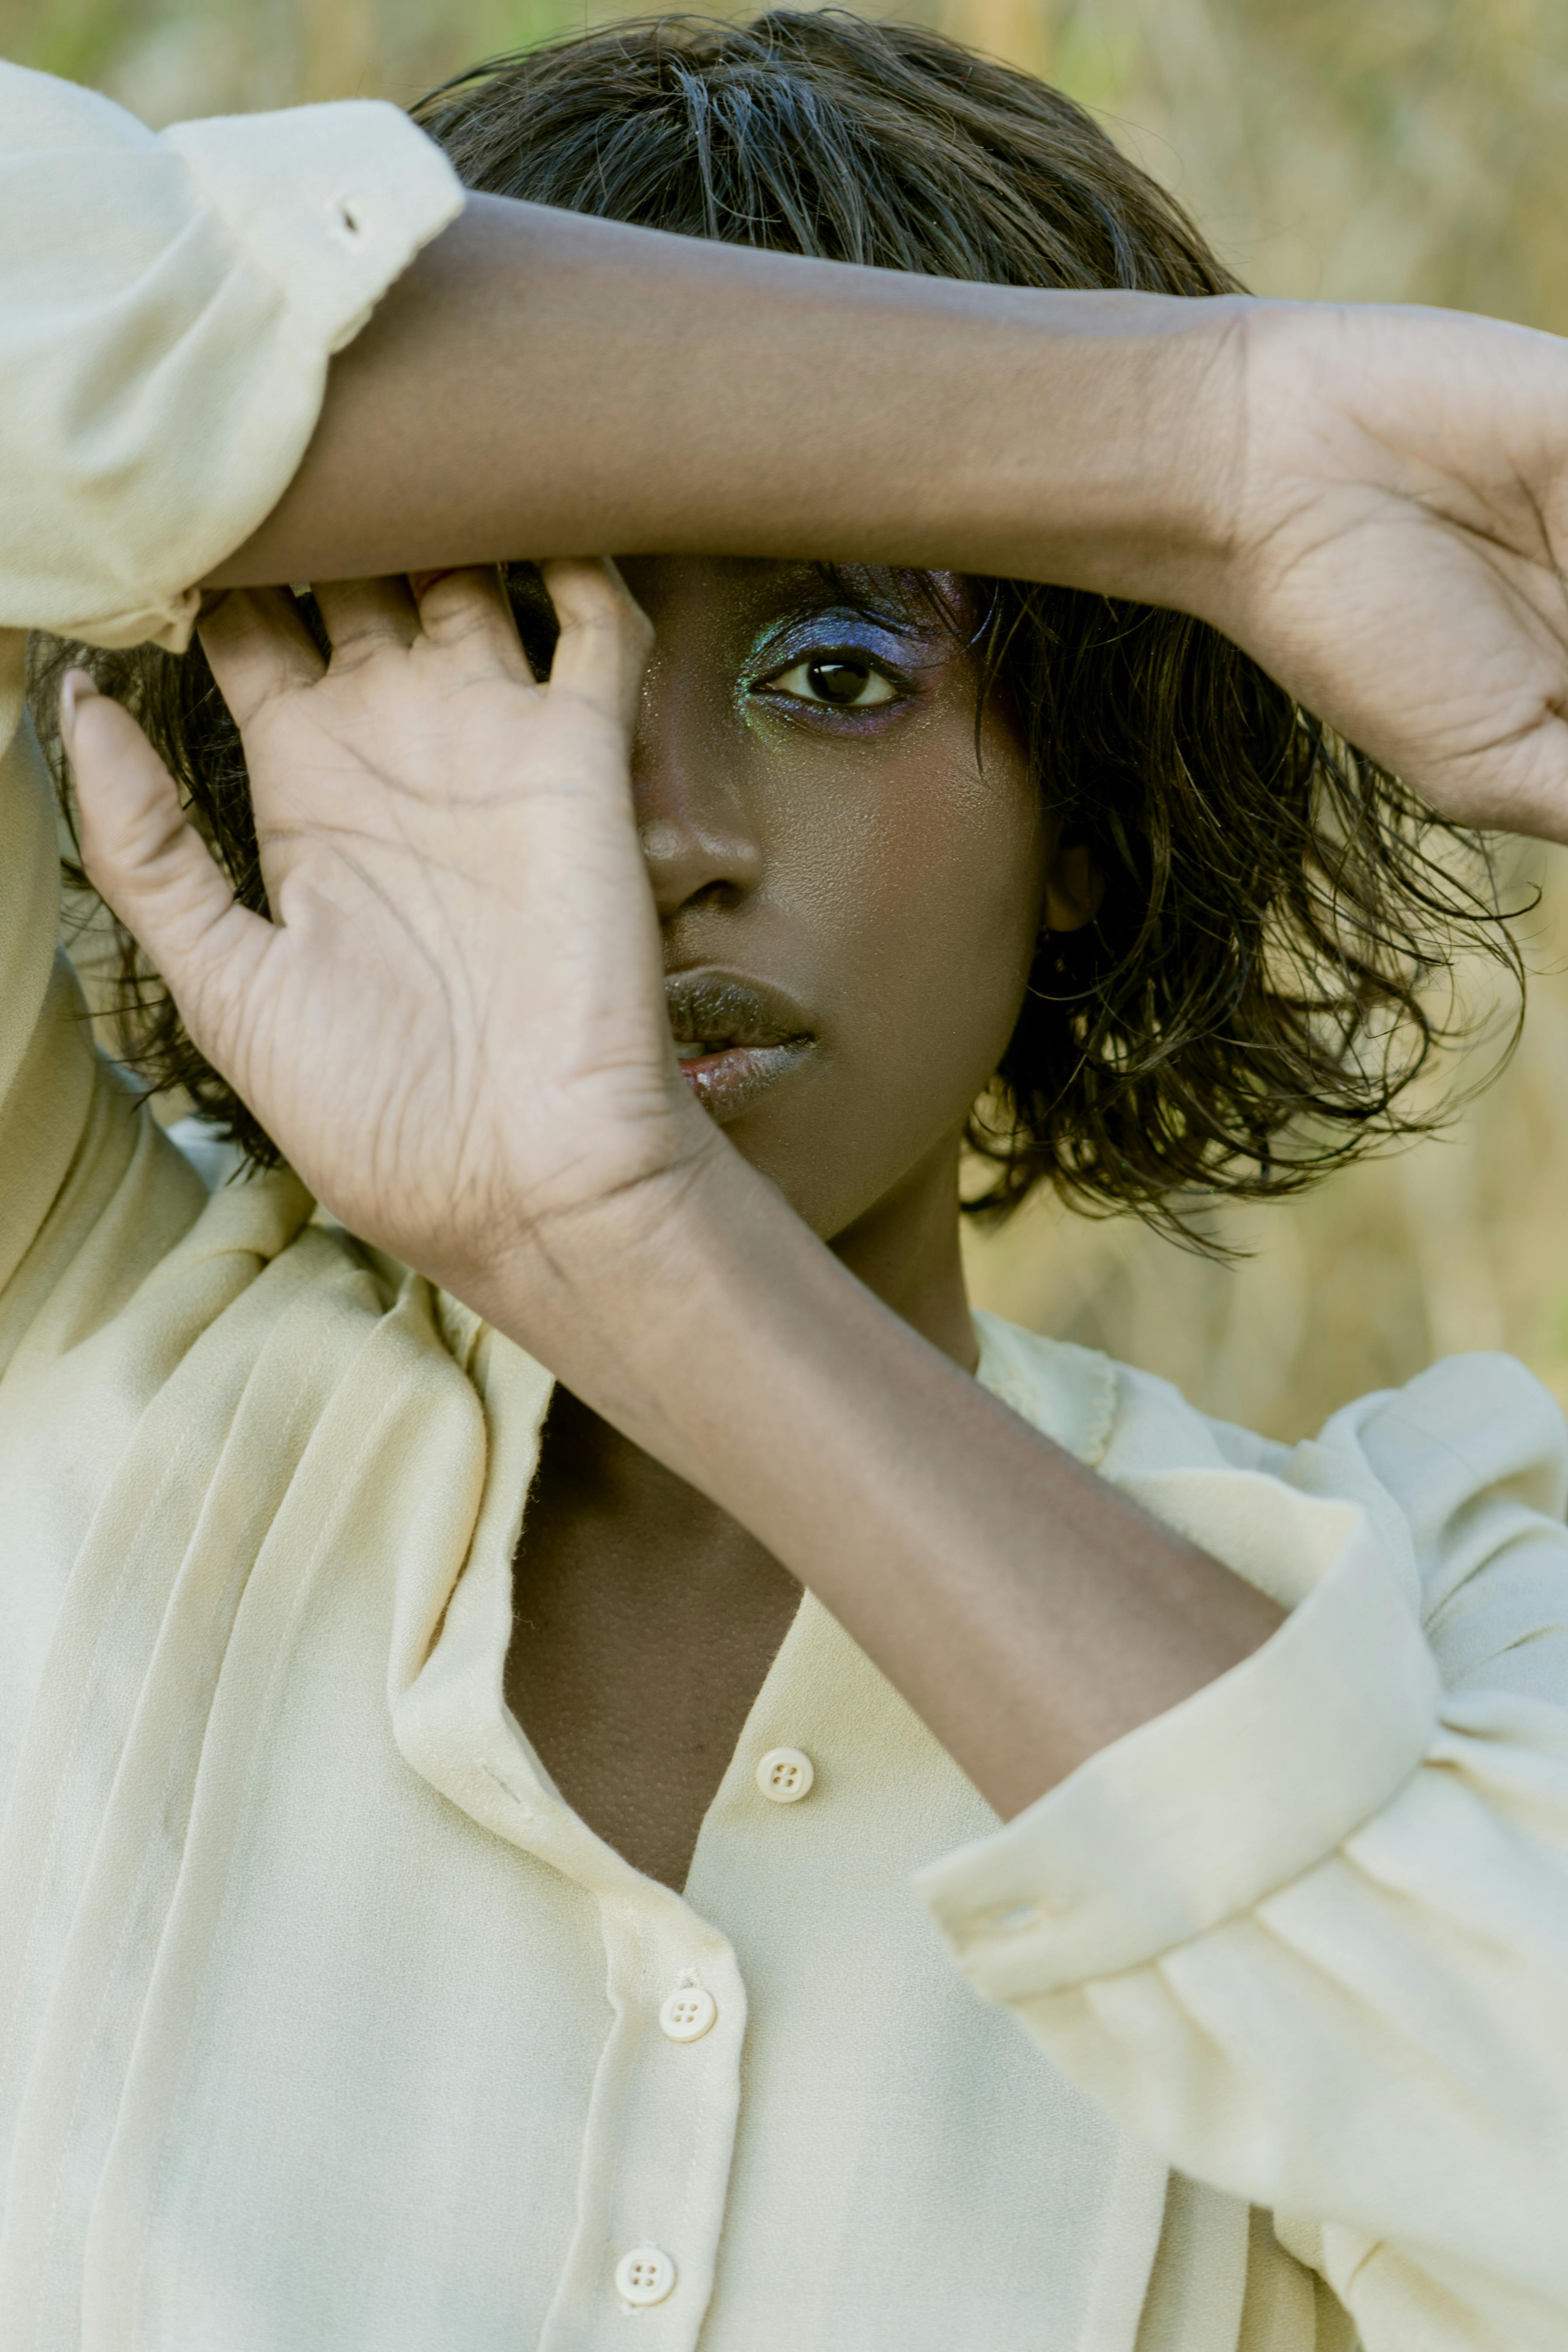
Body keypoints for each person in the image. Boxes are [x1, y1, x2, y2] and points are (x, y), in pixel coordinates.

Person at [4, 12, 1568, 2349]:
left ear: (1084, 820)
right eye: (516, 641)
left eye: (835, 673)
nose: (658, 838)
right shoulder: (64, 1342)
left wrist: (630, 1244)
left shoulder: (1439, 1643)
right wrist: (1198, 437)